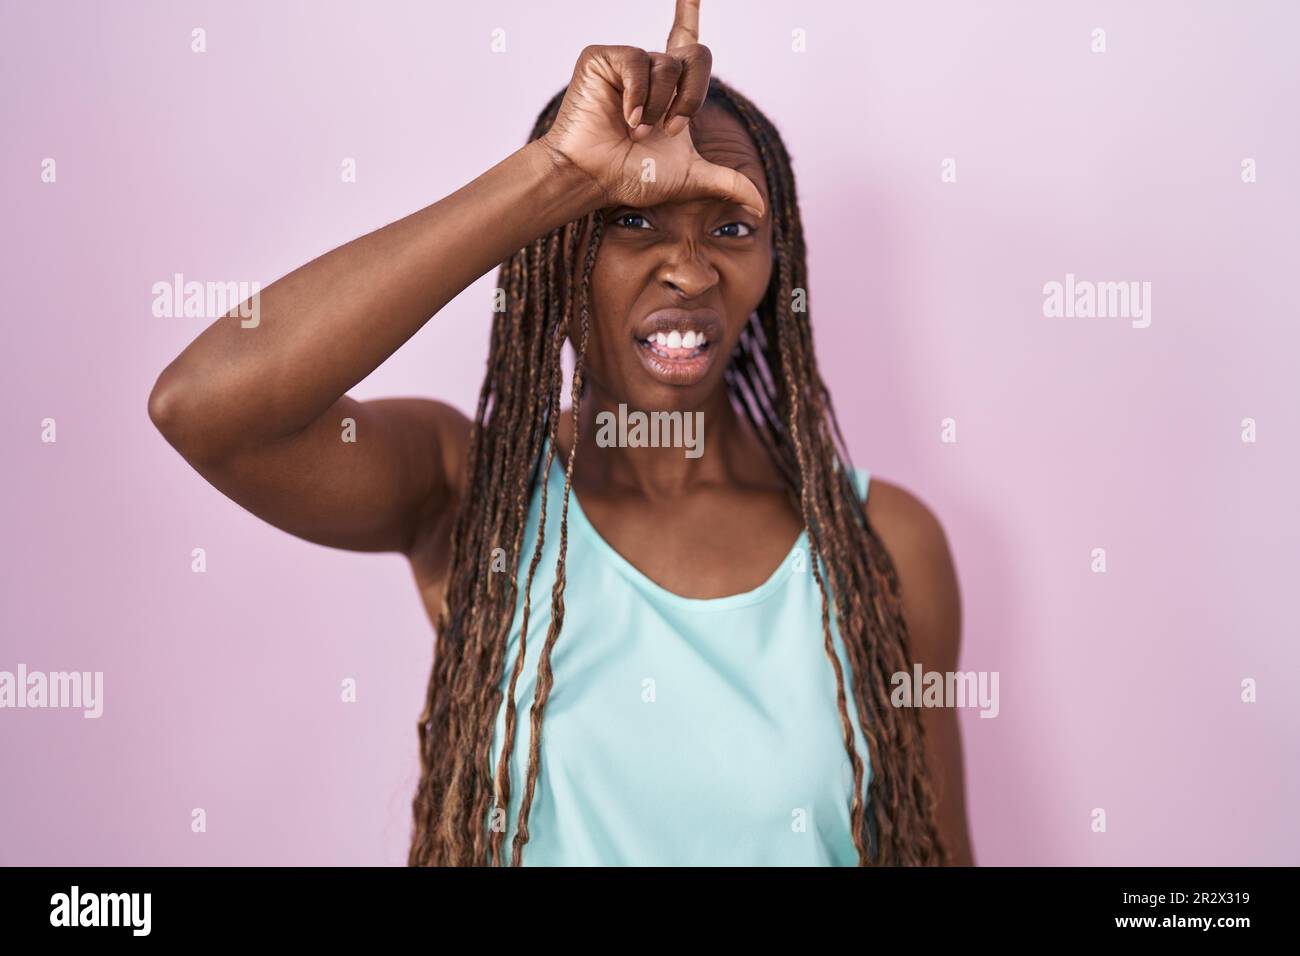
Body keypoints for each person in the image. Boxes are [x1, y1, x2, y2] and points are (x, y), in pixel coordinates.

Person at [148, 0, 974, 866]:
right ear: (553, 248)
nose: (689, 270)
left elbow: (933, 849)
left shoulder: (884, 546)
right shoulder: (470, 494)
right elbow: (205, 408)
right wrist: (557, 175)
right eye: (630, 219)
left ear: (776, 265)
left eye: (731, 227)